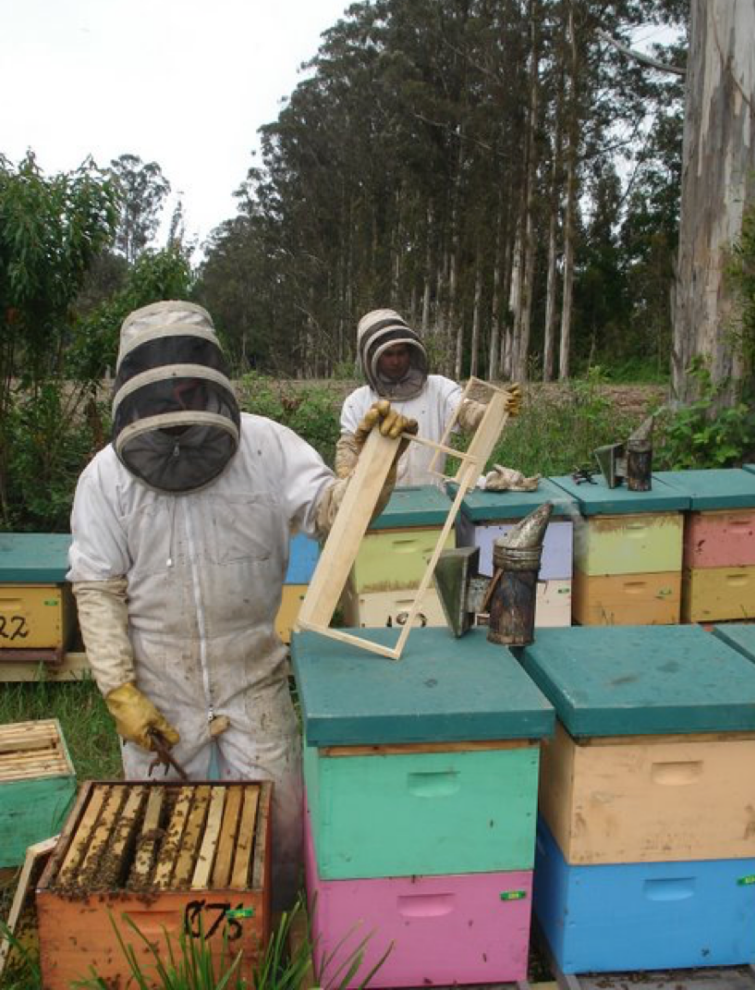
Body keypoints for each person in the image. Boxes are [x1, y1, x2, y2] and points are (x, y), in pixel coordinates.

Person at [67, 300, 415, 910]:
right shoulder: (105, 478)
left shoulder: (267, 446)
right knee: (160, 839)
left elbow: (332, 516)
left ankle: (275, 940)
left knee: (280, 829)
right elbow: (97, 588)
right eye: (160, 386)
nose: (175, 399)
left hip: (253, 673)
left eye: (185, 381)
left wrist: (370, 472)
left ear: (209, 374)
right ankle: (180, 952)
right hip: (157, 686)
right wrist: (121, 691)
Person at [336, 308, 522, 486]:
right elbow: (348, 451)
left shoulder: (439, 388)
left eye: (401, 353)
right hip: (376, 506)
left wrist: (497, 409)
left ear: (411, 352)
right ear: (371, 356)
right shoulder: (357, 402)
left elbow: (467, 412)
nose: (396, 361)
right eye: (388, 354)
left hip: (432, 500)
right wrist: (345, 479)